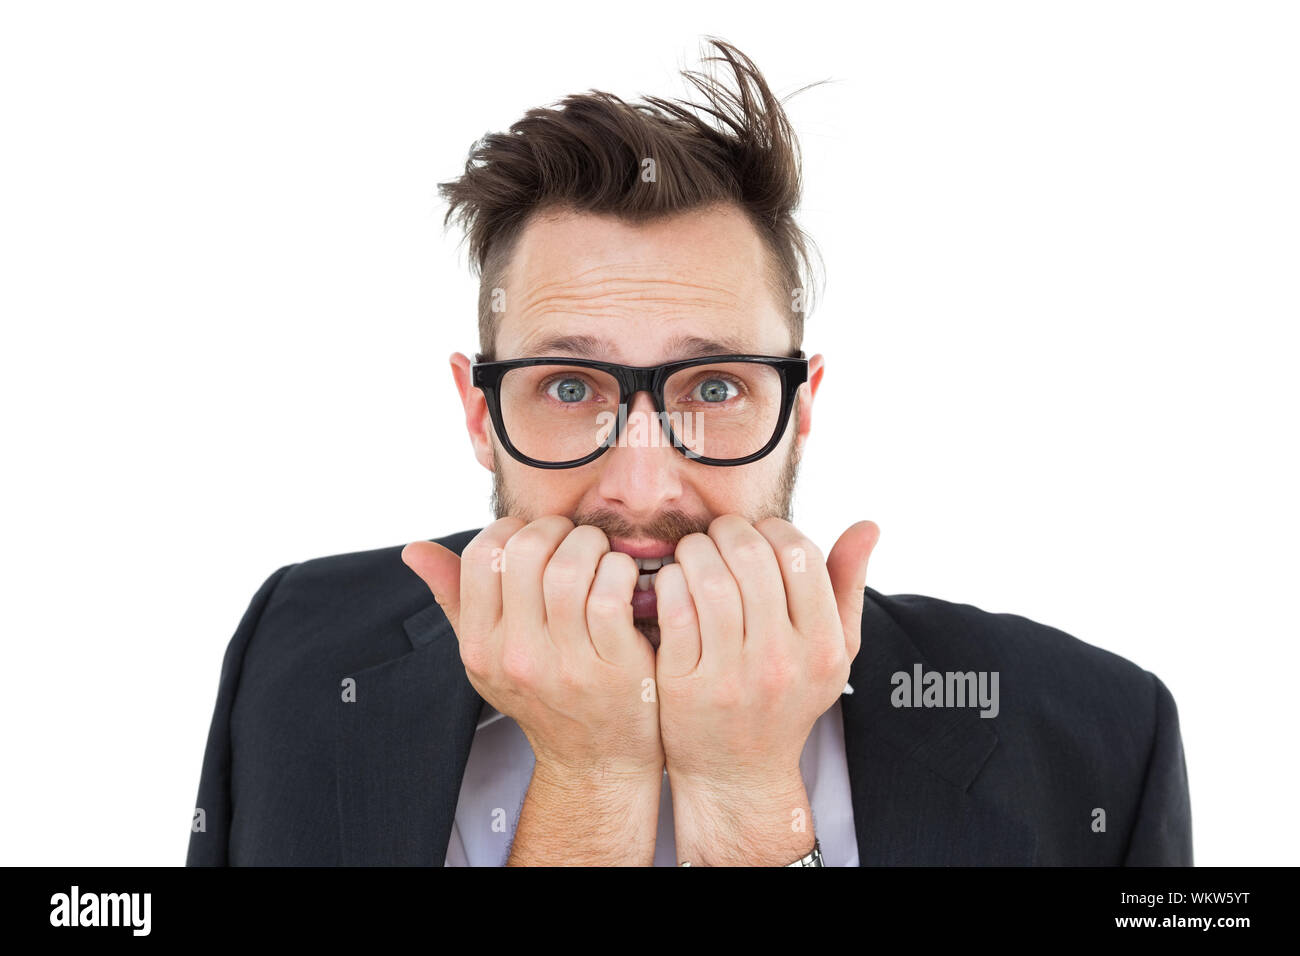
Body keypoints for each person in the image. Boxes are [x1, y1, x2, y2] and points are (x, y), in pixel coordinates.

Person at [186, 38, 1192, 867]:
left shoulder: (1093, 733)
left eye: (713, 389)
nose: (641, 483)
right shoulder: (297, 656)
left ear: (799, 410)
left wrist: (747, 802)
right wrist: (591, 786)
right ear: (479, 409)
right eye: (570, 387)